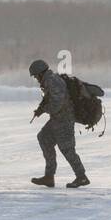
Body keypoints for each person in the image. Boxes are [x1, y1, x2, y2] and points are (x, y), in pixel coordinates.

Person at [29, 59, 89, 188]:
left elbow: (57, 104)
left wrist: (44, 109)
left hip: (64, 120)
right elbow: (50, 100)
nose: (36, 79)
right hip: (57, 120)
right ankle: (49, 177)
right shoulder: (48, 81)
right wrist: (41, 109)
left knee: (67, 149)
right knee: (44, 138)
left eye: (35, 76)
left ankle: (81, 177)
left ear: (40, 73)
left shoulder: (53, 81)